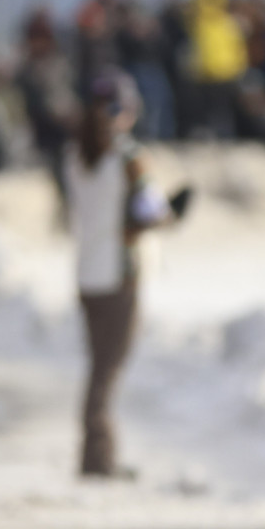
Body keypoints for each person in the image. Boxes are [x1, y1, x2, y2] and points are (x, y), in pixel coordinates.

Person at [62, 74, 188, 478]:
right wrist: (175, 212)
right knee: (107, 372)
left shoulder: (75, 154)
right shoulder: (129, 156)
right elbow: (152, 213)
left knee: (98, 367)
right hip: (119, 275)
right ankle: (98, 459)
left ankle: (97, 455)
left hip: (87, 273)